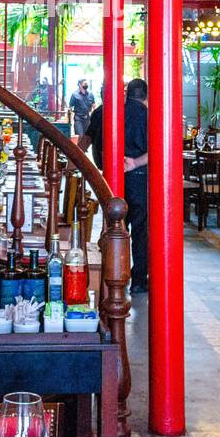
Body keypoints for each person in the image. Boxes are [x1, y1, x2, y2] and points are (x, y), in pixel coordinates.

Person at [77, 79, 150, 294]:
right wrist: (135, 162)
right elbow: (158, 147)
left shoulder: (102, 112)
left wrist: (78, 162)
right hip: (138, 177)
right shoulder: (146, 113)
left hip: (109, 178)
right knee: (140, 230)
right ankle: (137, 280)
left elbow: (86, 139)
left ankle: (113, 275)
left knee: (113, 229)